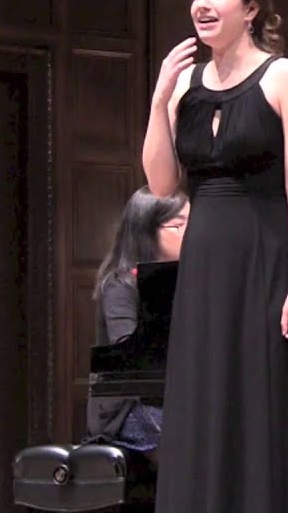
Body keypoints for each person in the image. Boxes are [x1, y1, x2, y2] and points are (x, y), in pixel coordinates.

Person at [143, 0, 288, 512]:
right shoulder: (183, 87)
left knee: (261, 401)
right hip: (203, 266)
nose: (203, 3)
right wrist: (157, 102)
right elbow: (161, 182)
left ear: (251, 7)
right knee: (204, 402)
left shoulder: (285, 76)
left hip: (265, 258)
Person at [86, 186, 189, 466]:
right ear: (148, 230)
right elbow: (130, 354)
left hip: (172, 398)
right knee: (190, 443)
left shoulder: (188, 279)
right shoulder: (120, 283)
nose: (191, 233)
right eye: (180, 225)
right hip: (128, 408)